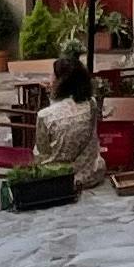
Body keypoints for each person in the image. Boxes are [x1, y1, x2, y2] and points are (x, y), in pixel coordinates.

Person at [32, 51, 101, 192]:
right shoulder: (91, 104)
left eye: (52, 75)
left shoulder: (45, 115)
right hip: (89, 173)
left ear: (60, 81)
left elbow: (43, 152)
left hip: (57, 178)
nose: (50, 78)